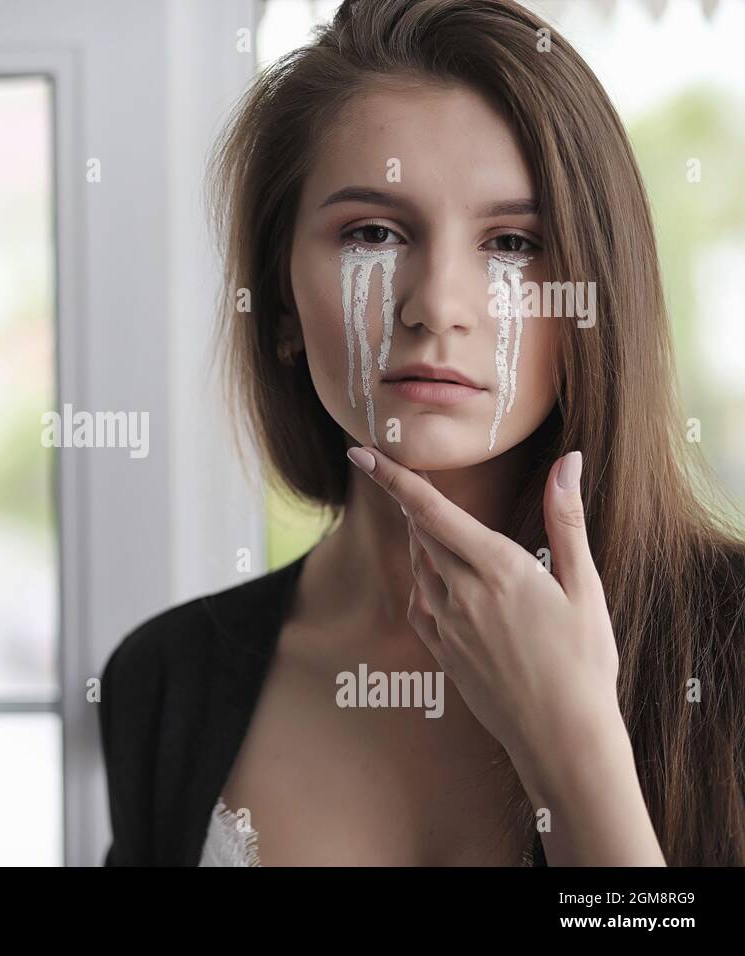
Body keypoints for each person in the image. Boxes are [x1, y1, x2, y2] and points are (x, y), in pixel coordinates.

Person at [99, 0, 745, 866]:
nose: (437, 304)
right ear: (282, 300)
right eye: (372, 233)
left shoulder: (732, 643)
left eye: (513, 243)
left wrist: (575, 753)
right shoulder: (165, 679)